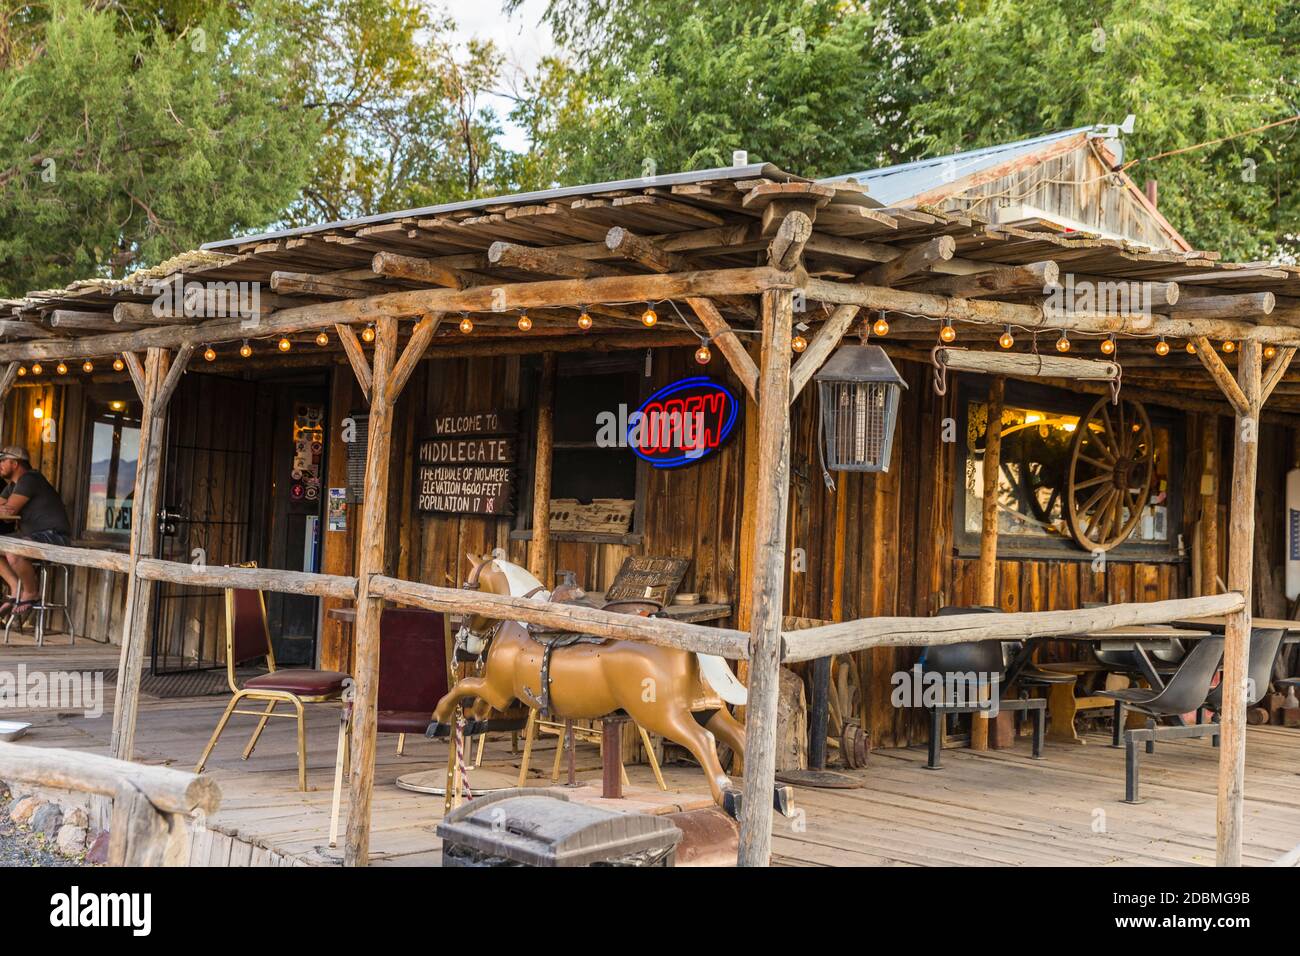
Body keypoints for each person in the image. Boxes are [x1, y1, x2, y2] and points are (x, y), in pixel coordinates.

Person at [0, 445, 72, 618]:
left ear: (15, 463)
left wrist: (8, 510)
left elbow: (8, 510)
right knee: (10, 547)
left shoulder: (30, 478)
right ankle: (16, 588)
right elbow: (6, 511)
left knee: (14, 551)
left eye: (3, 460)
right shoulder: (12, 486)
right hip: (34, 537)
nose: (0, 464)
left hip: (55, 536)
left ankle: (31, 592)